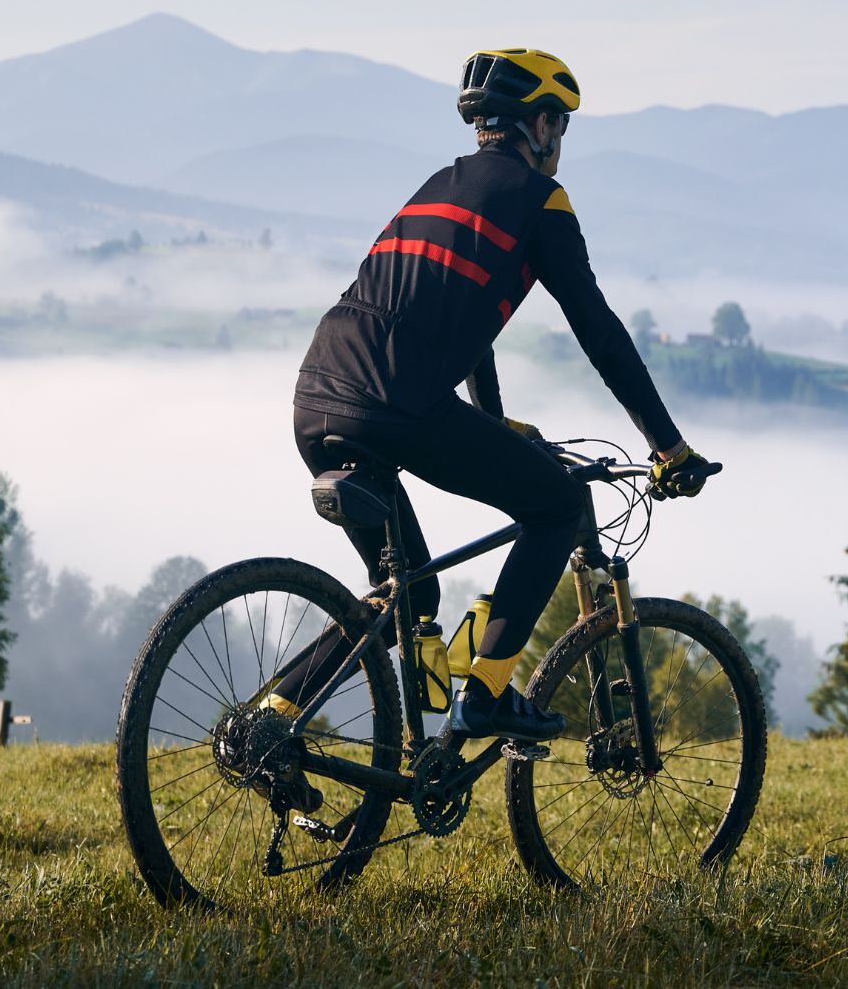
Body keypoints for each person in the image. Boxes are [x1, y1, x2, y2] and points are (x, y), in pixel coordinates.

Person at [281, 48, 713, 741]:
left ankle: (271, 719)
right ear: (538, 126)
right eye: (561, 126)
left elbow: (455, 315)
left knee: (408, 595)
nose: (561, 143)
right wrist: (669, 445)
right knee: (555, 503)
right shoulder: (539, 202)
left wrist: (493, 424)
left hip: (318, 393)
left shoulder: (438, 188)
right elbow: (599, 331)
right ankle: (484, 693)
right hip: (399, 401)